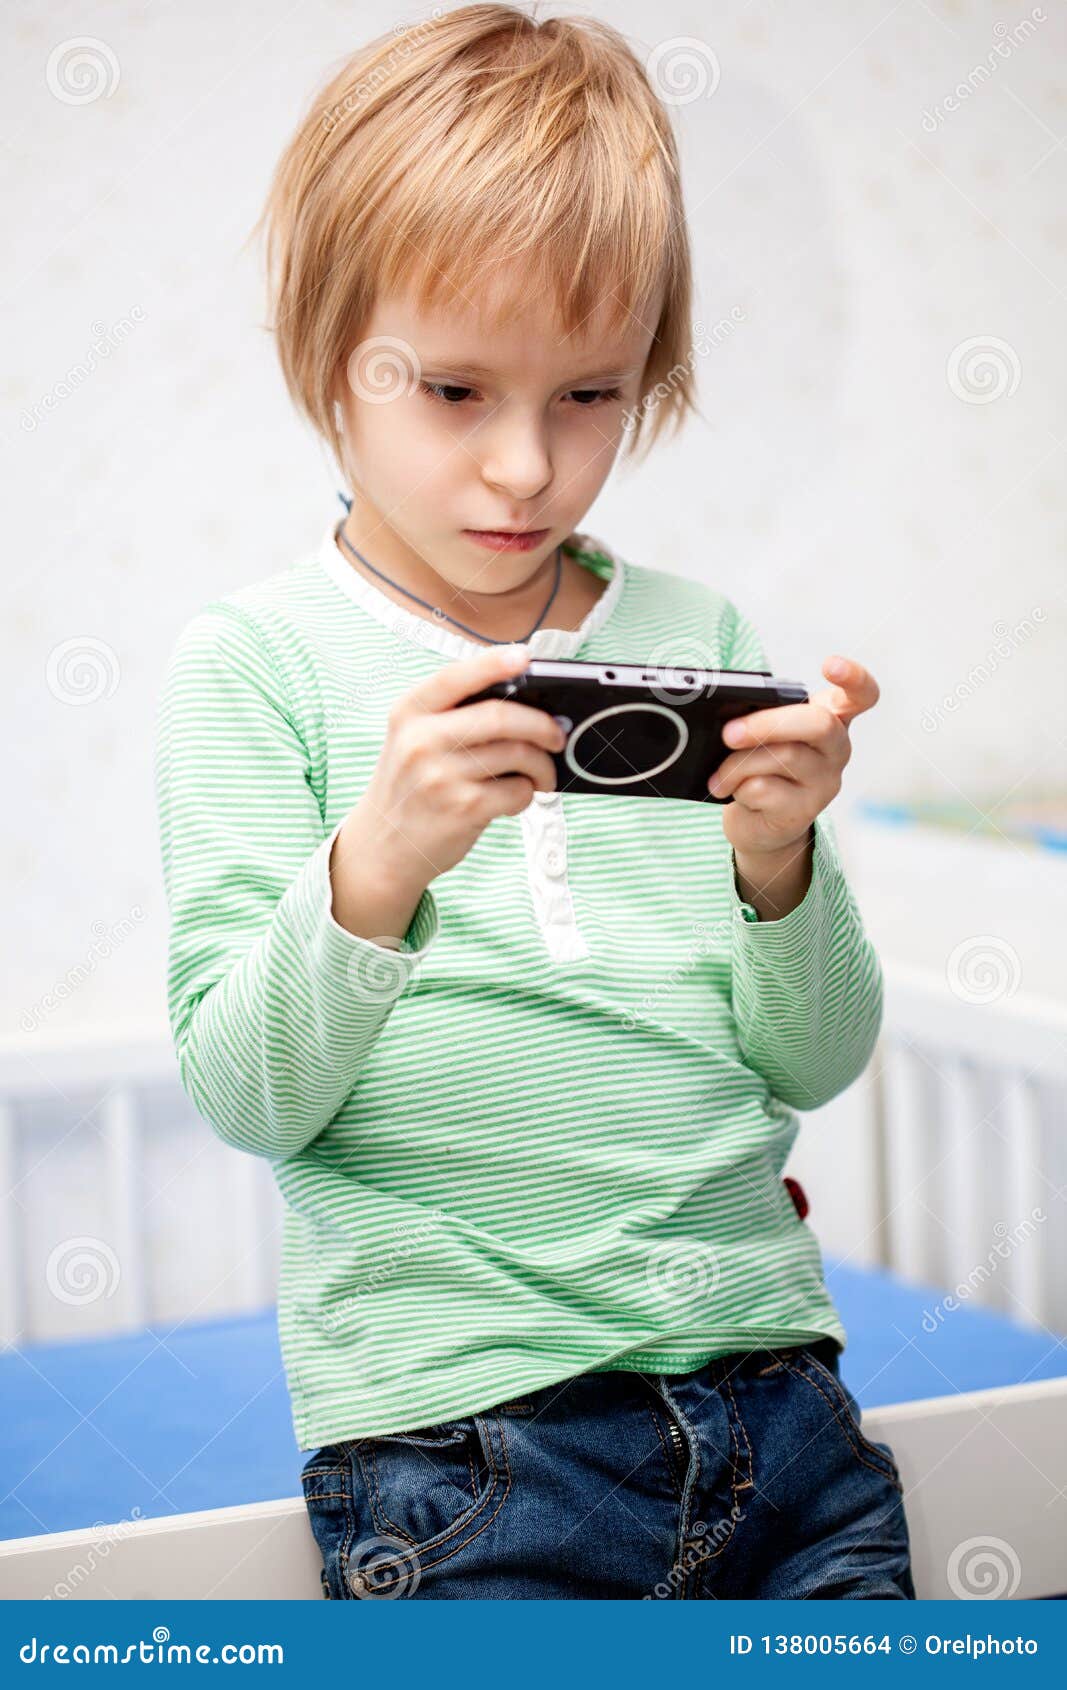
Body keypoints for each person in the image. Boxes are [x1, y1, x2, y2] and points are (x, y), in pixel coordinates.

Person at [154, 3, 912, 1599]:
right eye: (452, 393)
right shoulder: (253, 667)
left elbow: (819, 1058)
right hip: (462, 1446)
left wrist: (779, 862)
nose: (523, 469)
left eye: (589, 396)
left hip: (784, 1407)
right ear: (329, 360)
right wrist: (378, 867)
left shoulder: (698, 640)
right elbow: (247, 1093)